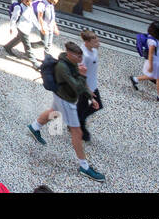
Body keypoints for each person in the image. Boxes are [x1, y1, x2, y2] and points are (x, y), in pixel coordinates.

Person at [26, 40, 106, 181]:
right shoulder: (63, 68)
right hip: (66, 99)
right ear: (69, 54)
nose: (81, 60)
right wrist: (82, 75)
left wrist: (90, 97)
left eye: (81, 57)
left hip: (62, 96)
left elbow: (80, 84)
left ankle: (34, 127)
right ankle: (84, 166)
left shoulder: (70, 62)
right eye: (78, 57)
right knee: (77, 131)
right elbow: (76, 85)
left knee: (53, 111)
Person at [129, 20, 159, 107]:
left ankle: (135, 79)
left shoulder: (156, 38)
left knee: (153, 76)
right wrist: (150, 65)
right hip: (155, 62)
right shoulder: (152, 42)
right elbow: (150, 54)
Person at [77, 30, 102, 143]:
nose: (98, 42)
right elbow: (81, 74)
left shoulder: (93, 50)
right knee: (89, 106)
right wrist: (88, 90)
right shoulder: (84, 55)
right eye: (94, 41)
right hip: (85, 87)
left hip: (92, 84)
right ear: (87, 42)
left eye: (97, 39)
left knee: (91, 106)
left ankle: (77, 121)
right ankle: (79, 125)